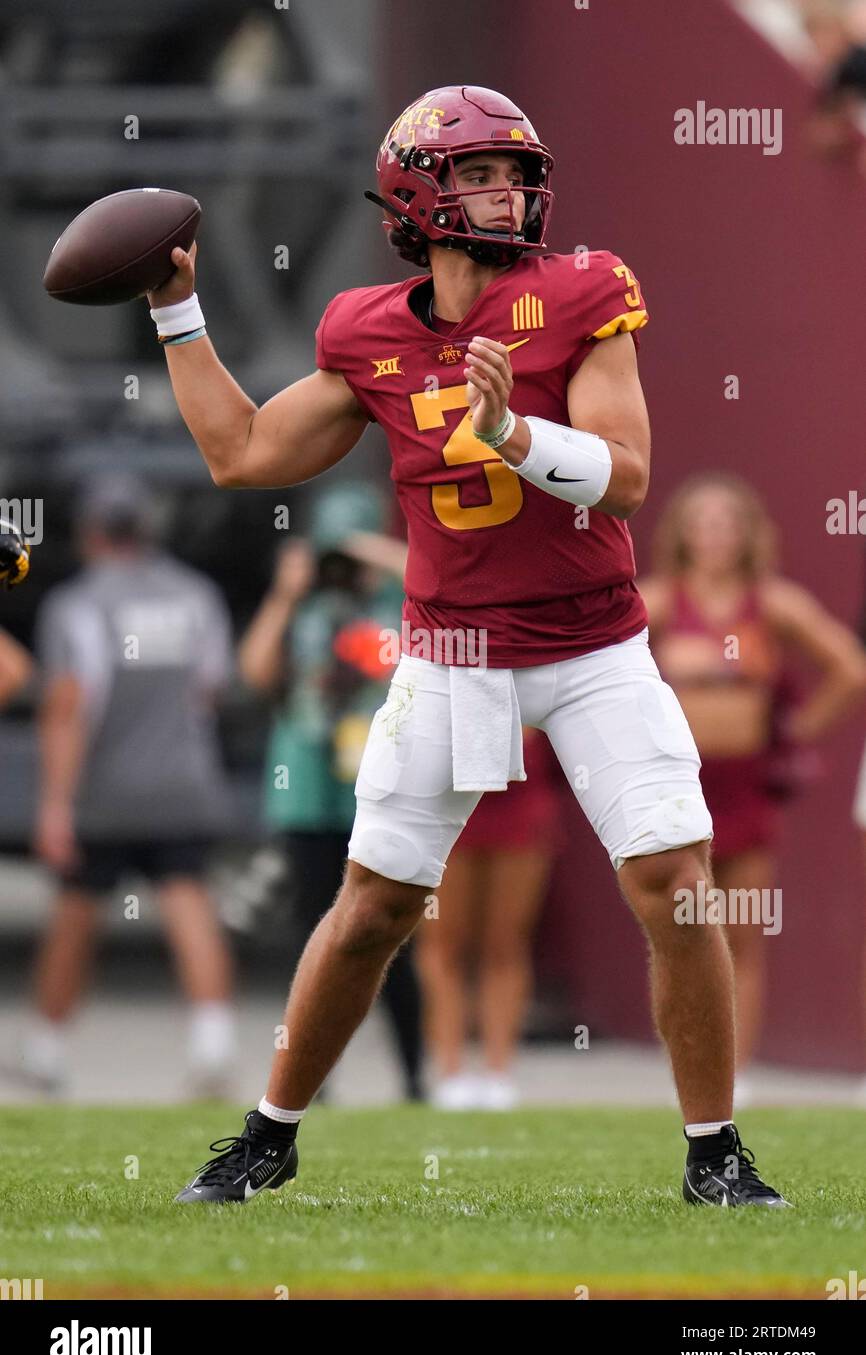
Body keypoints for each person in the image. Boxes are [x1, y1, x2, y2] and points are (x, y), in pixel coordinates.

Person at [153, 84, 789, 1207]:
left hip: (592, 642)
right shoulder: (366, 328)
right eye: (481, 173)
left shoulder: (581, 291)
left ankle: (715, 1153)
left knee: (674, 883)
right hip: (450, 651)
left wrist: (508, 433)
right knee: (373, 909)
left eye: (516, 171)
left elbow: (628, 476)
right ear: (415, 192)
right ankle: (267, 1134)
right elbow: (242, 452)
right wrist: (177, 315)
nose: (509, 190)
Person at [641, 474, 866, 1107]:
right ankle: (688, 1068)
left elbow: (850, 665)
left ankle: (735, 1078)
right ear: (682, 534)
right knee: (681, 926)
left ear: (748, 536)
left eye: (727, 524)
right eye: (702, 523)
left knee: (741, 926)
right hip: (678, 782)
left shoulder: (773, 603)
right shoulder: (657, 600)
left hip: (746, 786)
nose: (714, 536)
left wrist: (798, 728)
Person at [23, 474, 238, 1098]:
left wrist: (55, 806)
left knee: (75, 915)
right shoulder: (197, 596)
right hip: (182, 782)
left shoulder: (79, 604)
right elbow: (210, 688)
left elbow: (68, 706)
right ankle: (213, 1044)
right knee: (190, 902)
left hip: (105, 790)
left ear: (91, 533)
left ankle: (46, 1049)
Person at [238, 481, 424, 1101]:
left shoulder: (401, 601)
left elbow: (428, 577)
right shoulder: (307, 611)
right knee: (316, 931)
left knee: (390, 930)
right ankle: (312, 1082)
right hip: (310, 788)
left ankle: (415, 1076)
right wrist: (286, 595)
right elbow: (255, 672)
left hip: (383, 784)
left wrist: (373, 552)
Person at [417, 728, 564, 1109]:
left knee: (506, 941)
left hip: (521, 797)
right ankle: (450, 1072)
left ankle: (499, 1073)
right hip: (448, 795)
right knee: (443, 942)